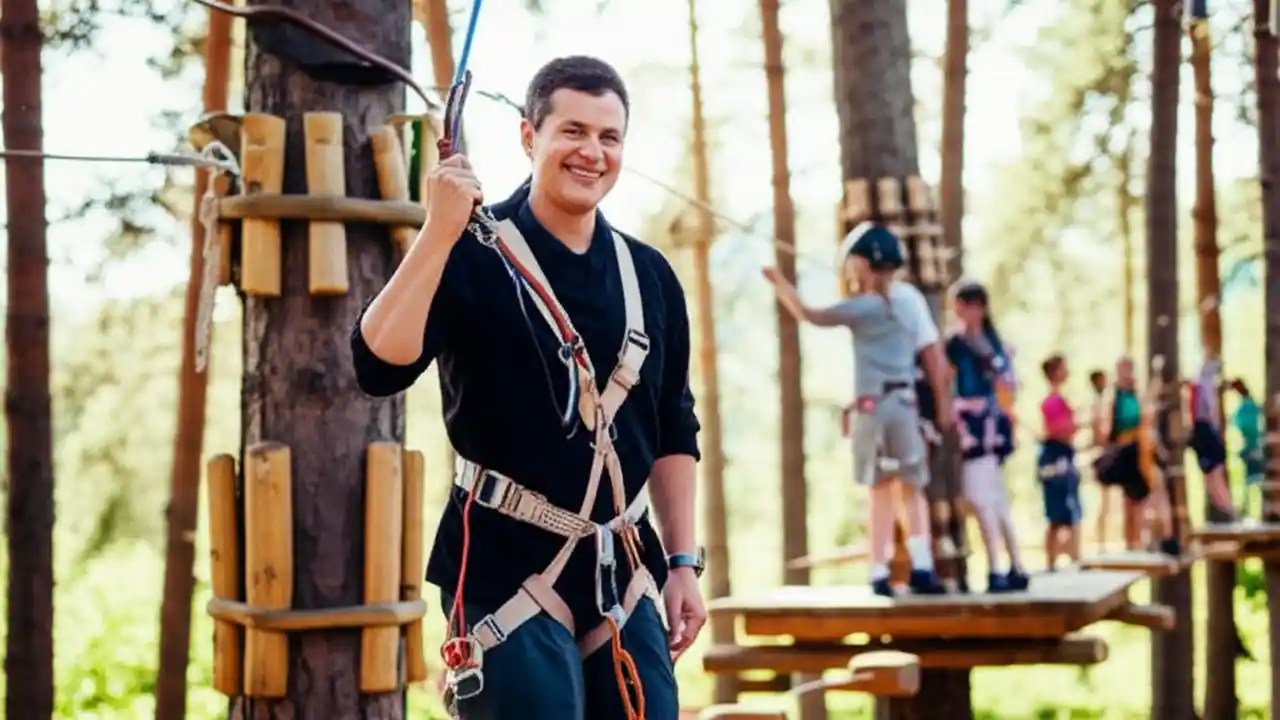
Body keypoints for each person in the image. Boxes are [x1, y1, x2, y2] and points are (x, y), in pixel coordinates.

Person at [351, 56, 703, 719]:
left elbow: (673, 425)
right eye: (572, 131)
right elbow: (377, 366)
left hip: (624, 569)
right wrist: (437, 233)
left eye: (609, 137)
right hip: (504, 565)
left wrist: (682, 562)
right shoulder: (472, 254)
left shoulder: (649, 275)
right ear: (528, 137)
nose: (591, 152)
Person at [762, 222, 952, 598]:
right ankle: (923, 568)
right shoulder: (909, 300)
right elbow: (933, 356)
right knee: (912, 487)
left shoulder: (861, 308)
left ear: (863, 264)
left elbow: (809, 314)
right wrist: (944, 407)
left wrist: (779, 282)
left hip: (872, 408)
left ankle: (879, 571)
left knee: (878, 489)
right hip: (906, 405)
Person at [945, 280, 1029, 593]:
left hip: (988, 434)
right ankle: (1005, 565)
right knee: (988, 500)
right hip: (972, 430)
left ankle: (1003, 567)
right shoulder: (955, 344)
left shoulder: (994, 346)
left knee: (988, 500)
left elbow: (1008, 388)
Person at [1092, 356, 1179, 555]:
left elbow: (1148, 408)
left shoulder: (1136, 395)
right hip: (1124, 451)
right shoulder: (1113, 397)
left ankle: (1144, 538)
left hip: (1141, 451)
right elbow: (1107, 428)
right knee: (1131, 498)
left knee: (1145, 494)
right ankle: (1132, 540)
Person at [1037, 354, 1082, 570]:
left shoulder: (1061, 398)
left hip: (1065, 454)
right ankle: (1056, 560)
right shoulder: (1052, 401)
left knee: (1070, 509)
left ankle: (1073, 557)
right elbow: (1055, 428)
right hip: (1056, 456)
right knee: (1058, 509)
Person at [1185, 358, 1237, 519]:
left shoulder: (1200, 387)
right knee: (1213, 476)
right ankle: (1226, 509)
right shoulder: (1201, 387)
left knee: (1214, 476)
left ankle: (1227, 510)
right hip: (1204, 433)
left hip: (1205, 433)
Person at [1086, 368, 1118, 549]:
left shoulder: (1103, 402)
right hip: (1102, 454)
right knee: (1103, 503)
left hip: (1106, 452)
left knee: (1107, 503)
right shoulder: (1097, 404)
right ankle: (1101, 543)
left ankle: (1103, 541)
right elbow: (1098, 432)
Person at [1231, 378, 1264, 517]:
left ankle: (1247, 509)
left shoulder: (1245, 407)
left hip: (1252, 445)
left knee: (1253, 480)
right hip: (1253, 445)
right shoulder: (1252, 405)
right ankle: (1247, 508)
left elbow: (1240, 424)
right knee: (1253, 480)